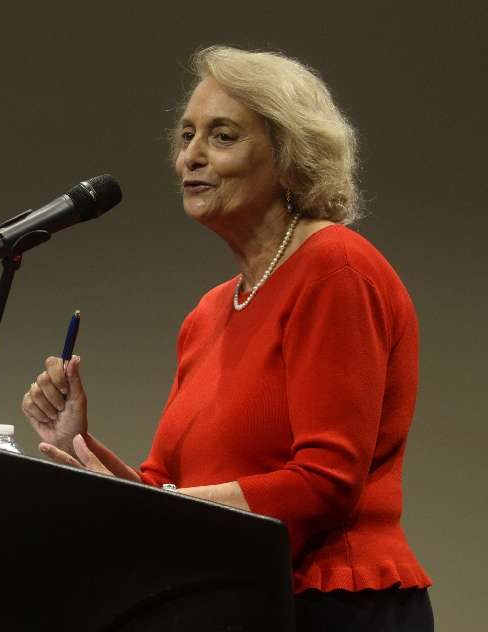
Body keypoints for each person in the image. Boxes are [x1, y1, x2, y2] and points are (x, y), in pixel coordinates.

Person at [21, 46, 433, 631]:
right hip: (229, 604)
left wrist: (171, 503)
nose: (191, 155)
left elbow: (327, 483)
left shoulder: (335, 269)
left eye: (222, 137)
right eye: (187, 135)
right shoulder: (209, 313)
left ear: (289, 157)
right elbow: (164, 489)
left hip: (328, 605)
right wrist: (79, 446)